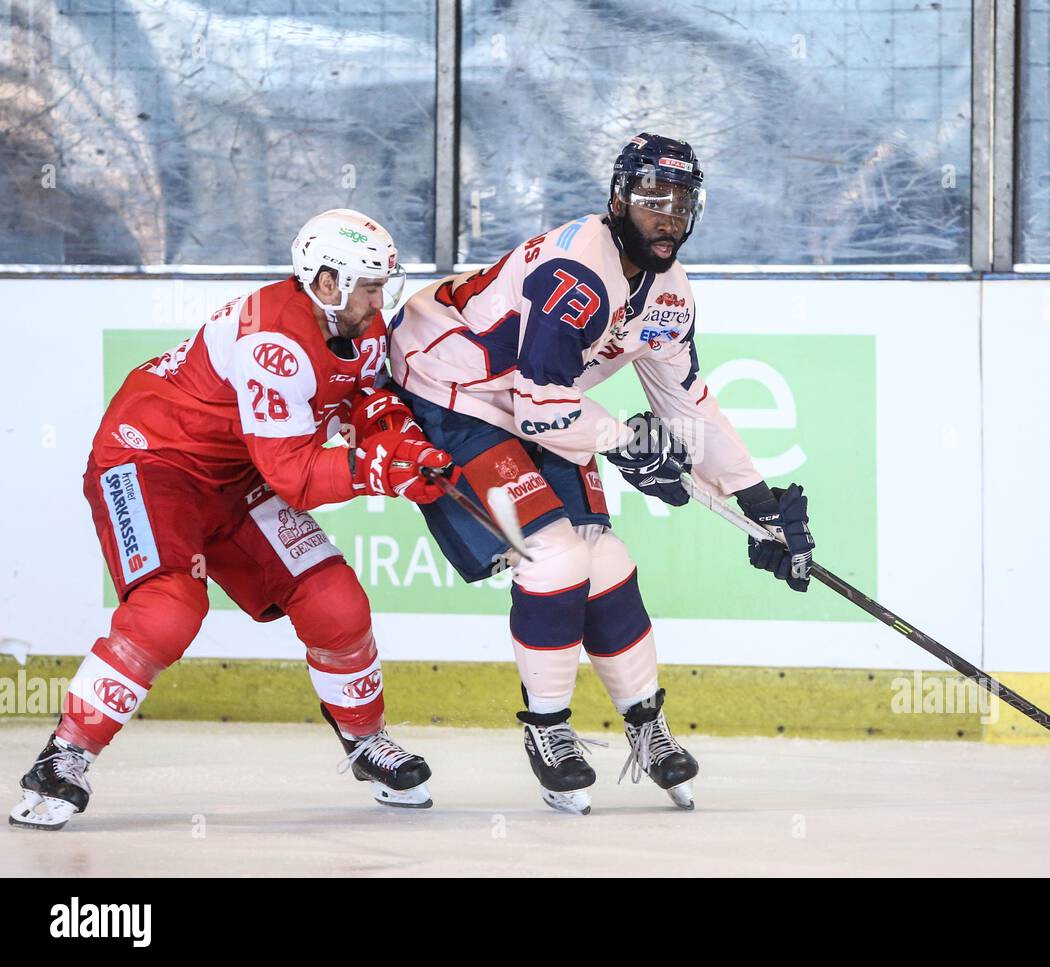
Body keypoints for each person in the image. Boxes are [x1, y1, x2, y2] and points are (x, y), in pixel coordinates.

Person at [388, 135, 816, 813]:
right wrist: (624, 441)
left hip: (531, 398)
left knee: (605, 557)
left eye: (679, 203)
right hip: (455, 390)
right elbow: (536, 405)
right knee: (554, 555)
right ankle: (550, 731)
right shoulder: (580, 272)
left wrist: (757, 500)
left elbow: (684, 401)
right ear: (618, 200)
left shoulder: (670, 292)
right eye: (651, 200)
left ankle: (646, 728)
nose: (667, 217)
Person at [10, 209, 451, 830]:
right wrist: (374, 470)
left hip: (236, 473)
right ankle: (62, 758)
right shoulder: (273, 343)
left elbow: (364, 397)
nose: (383, 300)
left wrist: (403, 444)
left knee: (335, 601)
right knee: (168, 609)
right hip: (150, 461)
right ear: (326, 283)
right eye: (371, 286)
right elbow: (294, 477)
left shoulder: (360, 322)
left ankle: (365, 742)